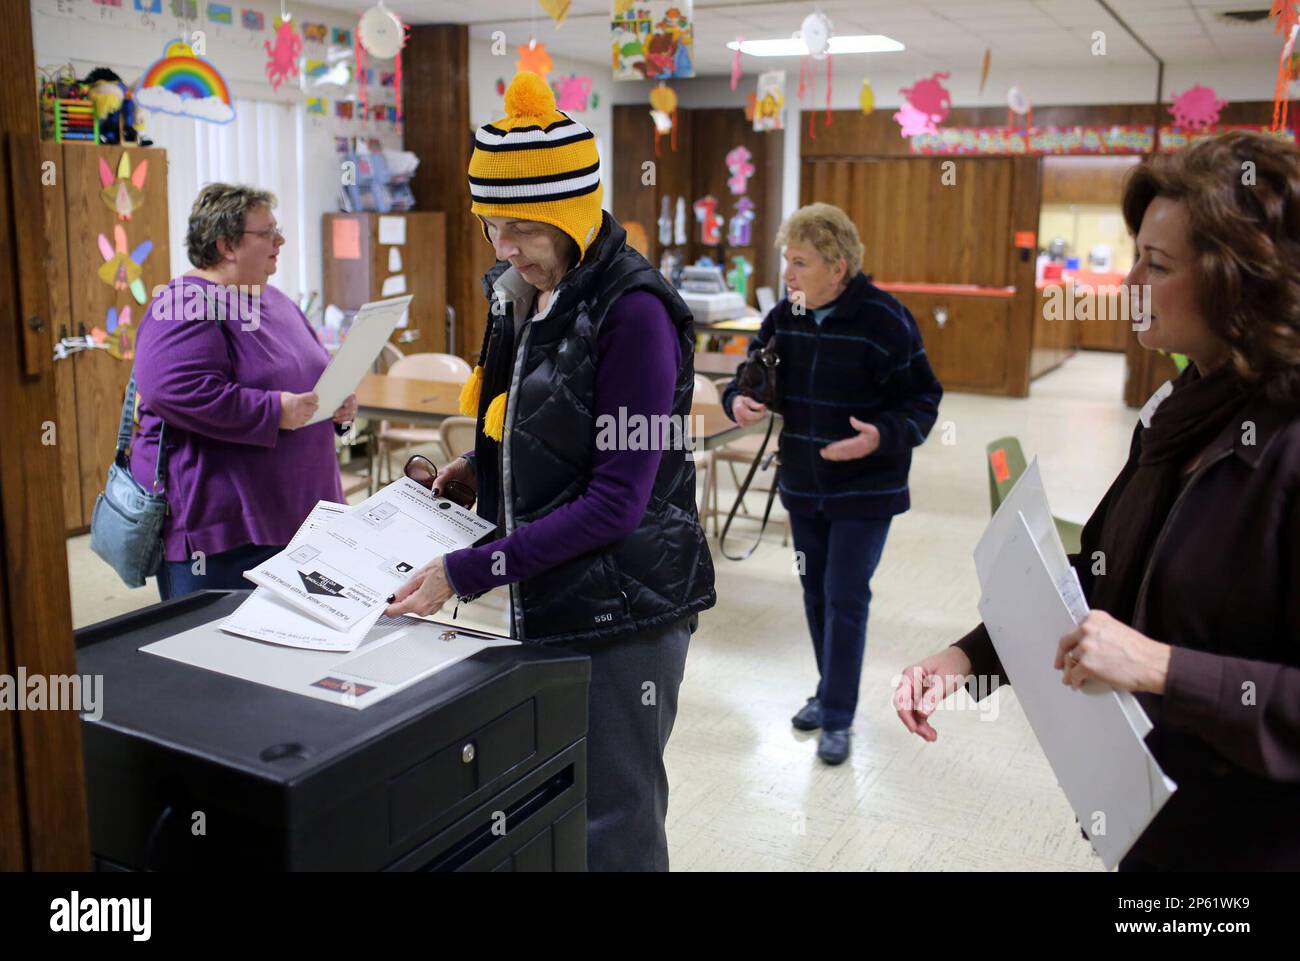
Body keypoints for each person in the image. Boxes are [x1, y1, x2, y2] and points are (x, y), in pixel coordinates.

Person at [895, 131, 1300, 871]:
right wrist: (968, 657)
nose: (1128, 283)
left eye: (1157, 264)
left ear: (1242, 279)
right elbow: (1101, 574)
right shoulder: (1181, 411)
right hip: (1156, 820)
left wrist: (1164, 668)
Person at [384, 72, 716, 871]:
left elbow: (615, 504)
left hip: (626, 606)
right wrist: (479, 468)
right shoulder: (523, 290)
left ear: (572, 211)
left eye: (522, 226)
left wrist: (465, 570)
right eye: (491, 224)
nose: (503, 246)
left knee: (614, 818)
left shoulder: (635, 312)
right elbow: (530, 420)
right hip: (554, 589)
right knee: (553, 794)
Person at [721, 203, 943, 765]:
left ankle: (838, 714)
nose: (788, 275)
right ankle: (828, 691)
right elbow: (750, 373)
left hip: (867, 489)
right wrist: (740, 399)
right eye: (786, 261)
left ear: (838, 267)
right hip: (803, 481)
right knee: (816, 591)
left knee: (846, 596)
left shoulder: (886, 321)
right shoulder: (786, 313)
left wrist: (881, 436)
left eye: (800, 263)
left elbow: (923, 399)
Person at [130, 183, 355, 600]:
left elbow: (306, 375)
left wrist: (335, 404)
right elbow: (172, 390)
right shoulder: (185, 303)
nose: (280, 240)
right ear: (227, 245)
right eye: (267, 232)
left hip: (303, 514)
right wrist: (274, 412)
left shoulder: (275, 299)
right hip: (228, 533)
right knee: (219, 658)